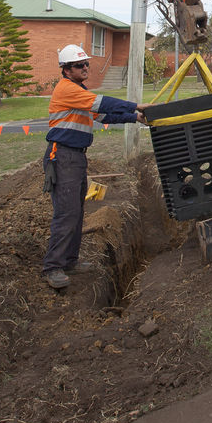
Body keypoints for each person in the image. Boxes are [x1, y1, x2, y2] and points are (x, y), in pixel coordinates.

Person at [42, 44, 149, 290]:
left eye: (86, 64)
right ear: (67, 70)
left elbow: (104, 116)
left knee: (77, 211)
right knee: (66, 213)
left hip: (76, 158)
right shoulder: (67, 90)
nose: (86, 68)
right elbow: (102, 104)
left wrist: (134, 118)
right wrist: (134, 106)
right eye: (80, 65)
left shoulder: (78, 92)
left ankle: (69, 260)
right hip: (63, 157)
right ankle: (53, 267)